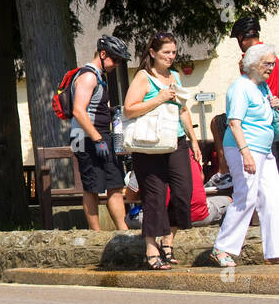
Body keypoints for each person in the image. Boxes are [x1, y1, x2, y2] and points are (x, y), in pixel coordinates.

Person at [121, 32, 202, 269]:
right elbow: (129, 109)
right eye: (166, 52)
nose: (171, 56)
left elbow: (183, 110)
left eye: (174, 52)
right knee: (154, 196)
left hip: (175, 141)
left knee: (182, 192)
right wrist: (160, 98)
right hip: (149, 145)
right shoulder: (144, 78)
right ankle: (151, 250)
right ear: (153, 53)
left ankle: (168, 240)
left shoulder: (175, 76)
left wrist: (194, 141)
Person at [210, 43, 279, 266]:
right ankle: (222, 248)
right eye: (267, 63)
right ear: (253, 64)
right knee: (246, 196)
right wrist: (245, 153)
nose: (271, 67)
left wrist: (274, 105)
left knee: (272, 198)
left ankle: (274, 251)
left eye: (272, 63)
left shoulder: (262, 87)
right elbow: (234, 123)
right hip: (244, 147)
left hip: (264, 150)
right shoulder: (240, 87)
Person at [70, 34, 131, 231]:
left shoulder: (99, 76)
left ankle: (123, 231)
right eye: (115, 59)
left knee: (114, 183)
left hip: (102, 136)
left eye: (120, 61)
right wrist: (97, 139)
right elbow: (78, 111)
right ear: (103, 54)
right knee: (92, 186)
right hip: (86, 138)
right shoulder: (88, 76)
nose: (116, 64)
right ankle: (95, 235)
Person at [209, 15, 279, 179]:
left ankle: (224, 172)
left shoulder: (251, 59)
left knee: (218, 123)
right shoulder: (272, 56)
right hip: (270, 116)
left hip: (260, 122)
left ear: (242, 37)